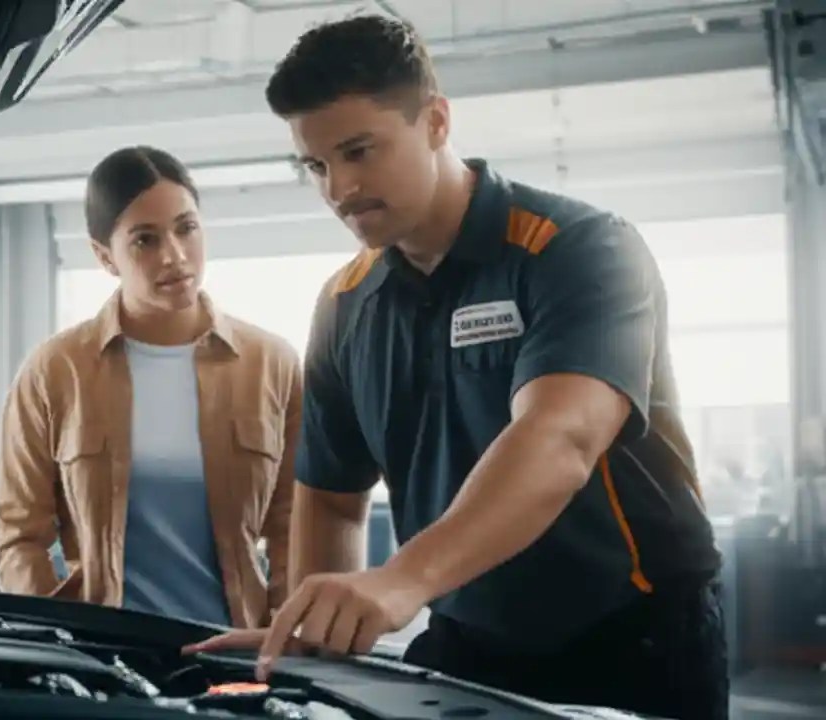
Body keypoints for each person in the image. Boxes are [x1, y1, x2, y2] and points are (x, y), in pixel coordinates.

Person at [183, 15, 727, 720]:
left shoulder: (579, 249)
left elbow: (560, 440)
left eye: (359, 151)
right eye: (316, 166)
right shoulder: (346, 305)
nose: (339, 189)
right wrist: (316, 627)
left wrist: (399, 582)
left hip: (632, 638)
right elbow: (332, 494)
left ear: (435, 122)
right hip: (467, 639)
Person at [0, 145, 301, 630]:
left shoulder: (272, 364)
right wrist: (55, 635)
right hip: (103, 657)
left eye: (186, 228)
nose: (174, 255)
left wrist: (285, 634)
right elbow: (18, 535)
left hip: (235, 651)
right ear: (104, 256)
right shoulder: (54, 371)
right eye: (145, 240)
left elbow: (292, 524)